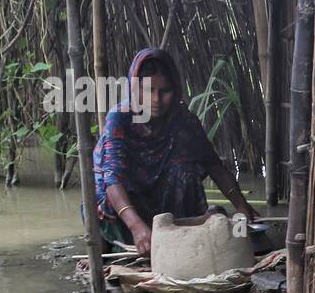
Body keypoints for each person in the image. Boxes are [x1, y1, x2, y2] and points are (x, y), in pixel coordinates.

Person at [93, 47, 258, 255]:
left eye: (165, 91)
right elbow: (112, 178)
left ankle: (177, 234)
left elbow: (213, 165)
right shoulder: (120, 118)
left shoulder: (184, 120)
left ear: (176, 89)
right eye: (148, 90)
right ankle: (118, 240)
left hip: (163, 195)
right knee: (106, 197)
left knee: (186, 171)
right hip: (121, 199)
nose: (156, 99)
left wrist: (242, 207)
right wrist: (136, 227)